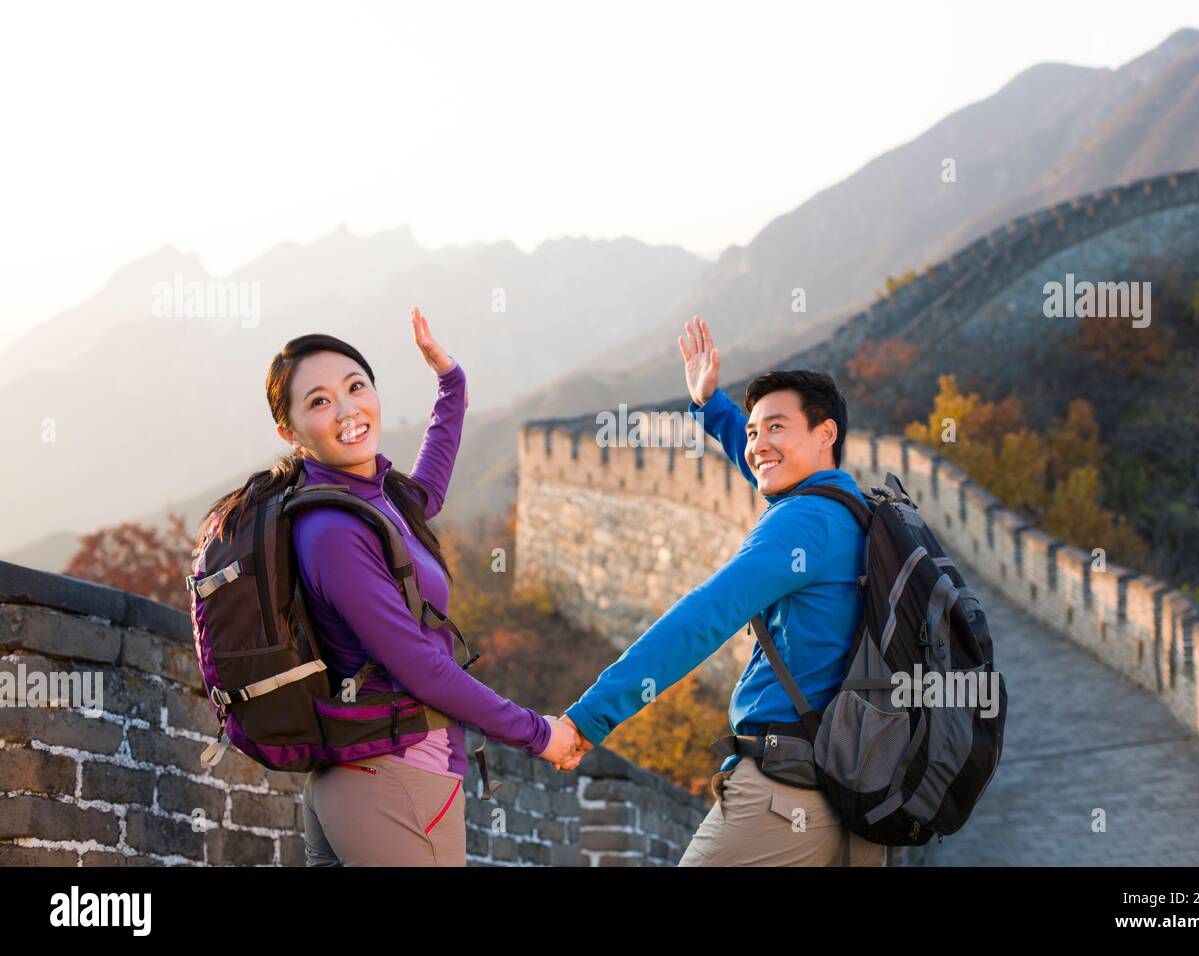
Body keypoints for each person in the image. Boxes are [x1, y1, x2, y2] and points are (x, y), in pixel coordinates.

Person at [203, 308, 577, 866]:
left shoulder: (372, 499)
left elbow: (427, 491)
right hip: (396, 779)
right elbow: (419, 665)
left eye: (357, 387)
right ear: (290, 431)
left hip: (364, 781)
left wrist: (452, 384)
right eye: (320, 401)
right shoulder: (331, 531)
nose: (348, 410)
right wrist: (537, 734)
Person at [553, 315, 887, 866]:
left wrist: (590, 719)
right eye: (753, 432)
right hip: (847, 790)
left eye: (776, 427)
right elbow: (771, 468)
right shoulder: (853, 510)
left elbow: (703, 619)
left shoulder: (802, 523)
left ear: (825, 434)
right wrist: (715, 409)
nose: (758, 445)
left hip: (781, 796)